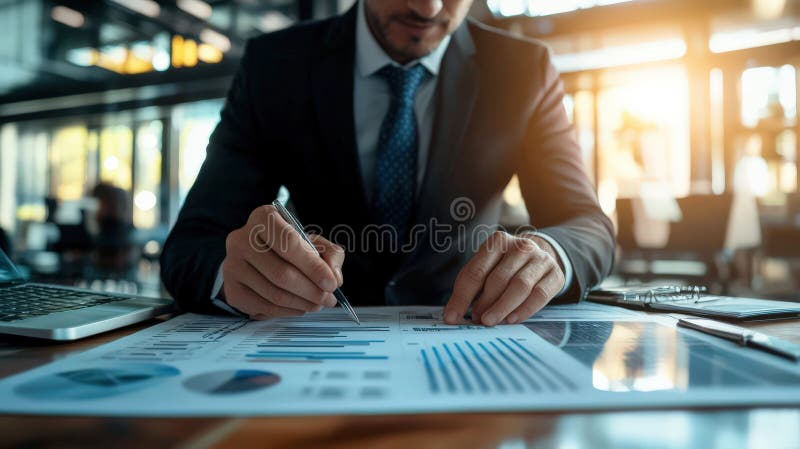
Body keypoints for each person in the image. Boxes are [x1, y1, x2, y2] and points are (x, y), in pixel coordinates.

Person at [161, 0, 615, 325]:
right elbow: (191, 245)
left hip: (464, 333)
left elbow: (585, 224)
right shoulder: (275, 66)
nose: (430, 8)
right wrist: (232, 273)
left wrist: (549, 256)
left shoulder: (524, 70)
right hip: (311, 336)